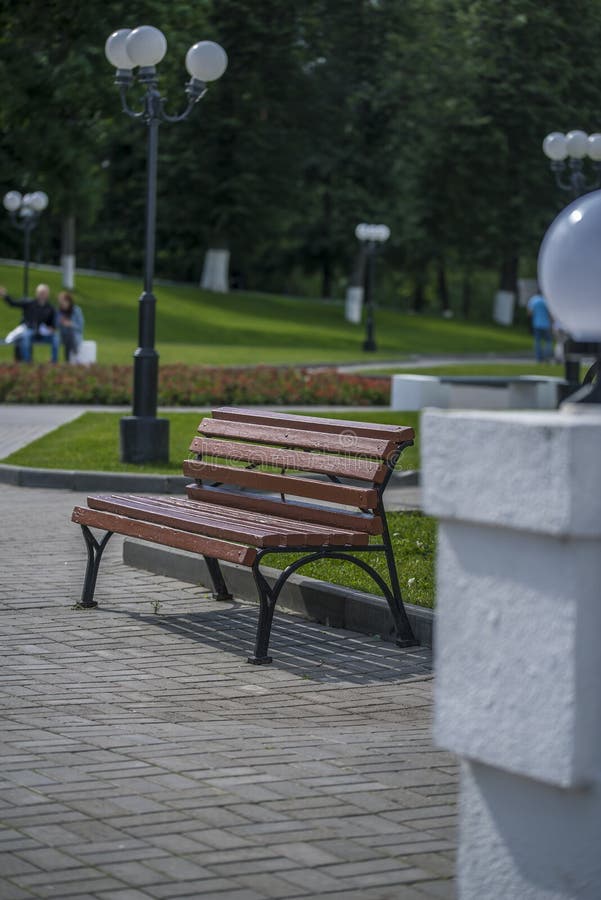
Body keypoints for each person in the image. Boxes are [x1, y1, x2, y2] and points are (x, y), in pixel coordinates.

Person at [0, 283, 59, 363]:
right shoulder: (29, 303)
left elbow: (53, 324)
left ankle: (54, 361)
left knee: (55, 338)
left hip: (44, 333)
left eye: (44, 293)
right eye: (40, 293)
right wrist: (5, 296)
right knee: (25, 336)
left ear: (47, 294)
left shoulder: (50, 308)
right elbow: (13, 303)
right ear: (37, 293)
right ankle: (28, 361)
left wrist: (52, 328)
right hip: (30, 330)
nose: (42, 295)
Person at [56, 291, 84, 362]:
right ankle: (75, 355)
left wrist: (71, 324)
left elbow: (80, 327)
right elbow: (56, 326)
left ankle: (68, 359)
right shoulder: (59, 312)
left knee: (70, 333)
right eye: (60, 302)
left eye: (62, 301)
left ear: (68, 301)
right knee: (64, 336)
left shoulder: (77, 310)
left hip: (75, 335)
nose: (61, 304)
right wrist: (60, 323)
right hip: (62, 336)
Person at [527, 288, 553, 362]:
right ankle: (546, 356)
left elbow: (529, 313)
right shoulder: (546, 300)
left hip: (536, 324)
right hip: (546, 324)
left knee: (537, 341)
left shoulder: (533, 300)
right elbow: (550, 313)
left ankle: (539, 358)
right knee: (548, 341)